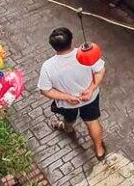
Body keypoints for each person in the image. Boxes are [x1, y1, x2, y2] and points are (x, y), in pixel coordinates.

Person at [37, 26, 106, 162]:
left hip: (67, 104)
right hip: (90, 99)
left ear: (53, 46)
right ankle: (99, 150)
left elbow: (45, 90)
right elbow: (100, 70)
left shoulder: (48, 66)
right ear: (71, 40)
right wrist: (91, 89)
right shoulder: (86, 54)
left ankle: (68, 129)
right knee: (92, 123)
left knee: (69, 118)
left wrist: (68, 98)